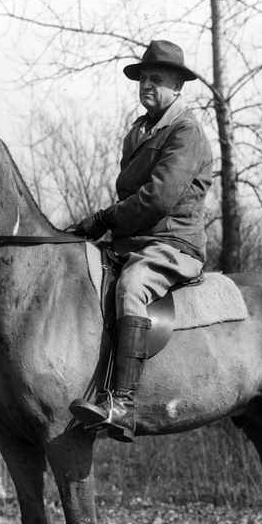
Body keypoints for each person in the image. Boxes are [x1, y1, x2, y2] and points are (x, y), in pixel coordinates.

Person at [68, 39, 213, 442]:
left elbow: (157, 199)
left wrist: (102, 219)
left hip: (171, 245)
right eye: (143, 78)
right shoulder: (140, 130)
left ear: (178, 87)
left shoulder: (186, 133)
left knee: (131, 287)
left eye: (156, 79)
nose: (146, 85)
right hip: (132, 242)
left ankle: (121, 404)